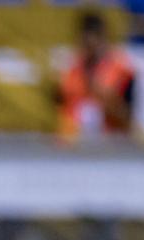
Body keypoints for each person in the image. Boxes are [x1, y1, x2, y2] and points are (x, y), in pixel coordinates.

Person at [56, 10, 137, 142]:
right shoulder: (69, 70)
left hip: (108, 146)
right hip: (72, 146)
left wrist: (101, 95)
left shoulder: (123, 71)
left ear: (103, 38)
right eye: (85, 43)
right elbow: (63, 109)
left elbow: (129, 119)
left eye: (93, 41)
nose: (89, 48)